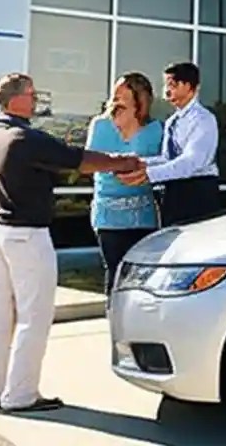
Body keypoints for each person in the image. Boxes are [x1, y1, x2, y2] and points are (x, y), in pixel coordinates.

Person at [0, 72, 141, 413]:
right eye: (32, 93)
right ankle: (21, 396)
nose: (37, 99)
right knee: (33, 317)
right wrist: (123, 162)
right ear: (16, 100)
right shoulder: (25, 137)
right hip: (27, 236)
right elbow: (78, 159)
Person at [85, 72, 164, 296]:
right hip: (108, 214)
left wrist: (142, 169)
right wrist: (124, 165)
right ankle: (114, 321)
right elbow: (92, 162)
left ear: (139, 97)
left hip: (144, 214)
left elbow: (161, 164)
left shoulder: (156, 129)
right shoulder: (101, 125)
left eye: (123, 91)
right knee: (116, 271)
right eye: (115, 92)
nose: (116, 95)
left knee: (143, 275)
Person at [117, 62, 220, 226]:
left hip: (198, 193)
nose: (166, 90)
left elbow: (192, 162)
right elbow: (167, 158)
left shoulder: (204, 120)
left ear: (188, 86)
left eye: (172, 84)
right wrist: (136, 163)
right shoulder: (173, 121)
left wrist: (149, 174)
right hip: (173, 190)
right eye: (166, 85)